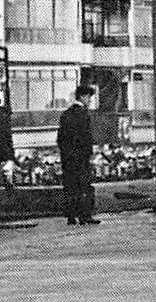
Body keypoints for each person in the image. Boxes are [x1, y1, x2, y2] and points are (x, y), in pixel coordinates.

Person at [57, 84, 100, 226]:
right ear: (83, 97)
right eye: (89, 98)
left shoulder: (65, 114)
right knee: (83, 186)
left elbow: (60, 139)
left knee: (70, 186)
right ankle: (84, 215)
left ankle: (71, 216)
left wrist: (66, 155)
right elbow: (86, 138)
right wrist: (88, 154)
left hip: (67, 159)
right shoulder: (83, 114)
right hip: (81, 158)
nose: (90, 101)